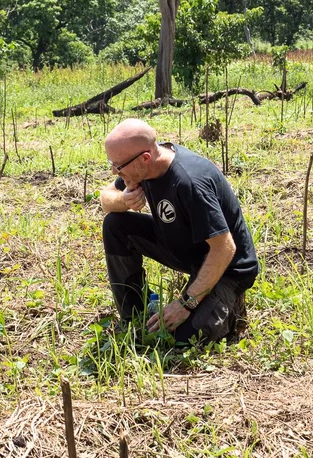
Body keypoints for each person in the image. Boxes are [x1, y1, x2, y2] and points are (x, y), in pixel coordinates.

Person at [99, 119, 258, 344]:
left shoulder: (190, 182)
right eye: (112, 163)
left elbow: (224, 248)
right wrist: (123, 200)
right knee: (115, 224)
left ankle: (230, 305)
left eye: (118, 166)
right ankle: (134, 315)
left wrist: (185, 304)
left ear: (145, 158)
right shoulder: (142, 168)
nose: (114, 170)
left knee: (181, 340)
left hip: (226, 267)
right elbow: (106, 199)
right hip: (184, 246)